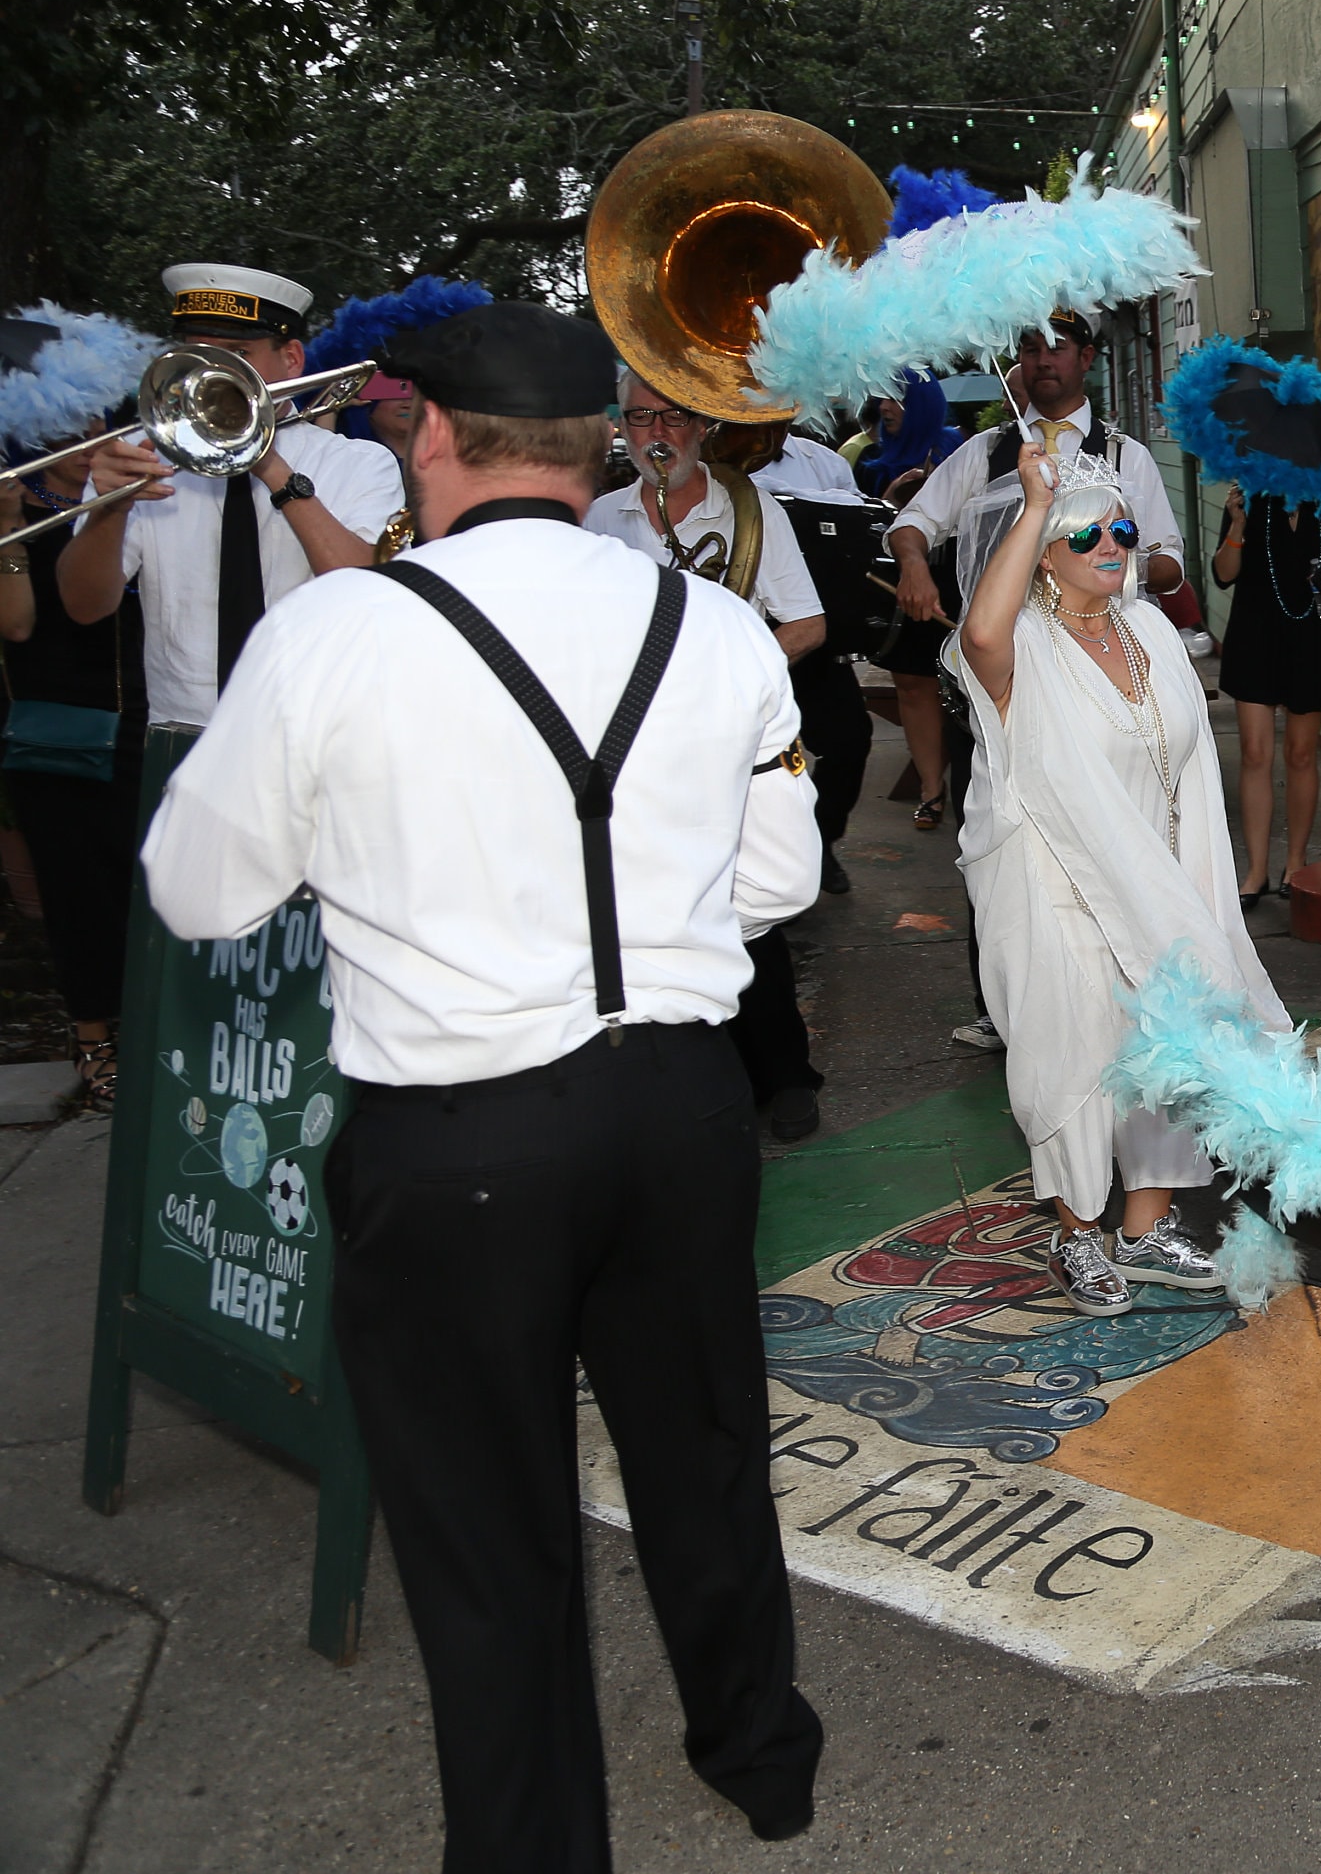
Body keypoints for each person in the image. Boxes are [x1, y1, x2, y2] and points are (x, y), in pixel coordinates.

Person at [139, 300, 826, 1864]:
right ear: (595, 448)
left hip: (456, 1137)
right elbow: (779, 878)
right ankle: (761, 1757)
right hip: (678, 1110)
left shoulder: (336, 629)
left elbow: (197, 892)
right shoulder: (711, 626)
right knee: (705, 1453)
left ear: (432, 436)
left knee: (486, 1526)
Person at [947, 442, 1274, 1313]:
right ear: (1044, 555)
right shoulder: (1017, 644)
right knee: (1073, 1060)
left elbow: (1186, 770)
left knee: (1164, 1048)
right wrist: (1030, 504)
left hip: (1156, 878)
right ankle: (1079, 1238)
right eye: (1082, 532)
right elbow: (977, 631)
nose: (1110, 544)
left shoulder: (1154, 632)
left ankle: (1145, 1227)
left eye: (1120, 529)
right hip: (1052, 886)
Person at [890, 317, 1183, 1050]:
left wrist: (1120, 554)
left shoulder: (1125, 454)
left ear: (1087, 357)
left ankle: (1127, 987)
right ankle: (1009, 998)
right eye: (1029, 347)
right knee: (1002, 827)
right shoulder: (986, 451)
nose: (1041, 360)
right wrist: (916, 564)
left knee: (1115, 820)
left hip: (1099, 668)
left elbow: (1169, 554)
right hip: (1002, 677)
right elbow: (912, 523)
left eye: (1058, 347)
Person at [583, 375, 834, 1142]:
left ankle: (785, 1074)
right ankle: (693, 1069)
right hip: (635, 744)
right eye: (640, 416)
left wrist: (728, 675)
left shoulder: (756, 510)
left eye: (674, 414)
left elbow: (809, 624)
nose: (659, 430)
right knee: (658, 899)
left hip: (730, 737)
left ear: (701, 424)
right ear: (619, 427)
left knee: (751, 907)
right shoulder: (598, 517)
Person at [60, 265, 404, 725]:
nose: (215, 371)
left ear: (292, 360)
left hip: (313, 730)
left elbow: (363, 594)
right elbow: (84, 606)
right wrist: (110, 511)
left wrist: (270, 465)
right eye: (195, 353)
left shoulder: (360, 462)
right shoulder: (143, 460)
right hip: (182, 732)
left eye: (240, 352)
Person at [1, 417, 145, 1109]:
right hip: (56, 740)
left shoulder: (154, 493)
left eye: (101, 422)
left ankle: (155, 1033)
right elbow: (18, 624)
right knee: (75, 897)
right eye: (68, 424)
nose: (88, 436)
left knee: (147, 895)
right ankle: (93, 1042)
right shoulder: (17, 511)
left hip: (147, 725)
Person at [1210, 481, 1321, 902]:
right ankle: (1256, 872)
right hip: (1255, 637)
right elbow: (1224, 573)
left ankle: (1296, 863)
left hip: (1312, 638)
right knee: (1255, 754)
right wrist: (1237, 523)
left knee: (1300, 754)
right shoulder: (1248, 496)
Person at [851, 373, 961, 504]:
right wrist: (892, 494)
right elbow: (859, 520)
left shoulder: (956, 452)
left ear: (921, 404)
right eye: (881, 398)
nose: (883, 407)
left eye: (894, 398)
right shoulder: (869, 460)